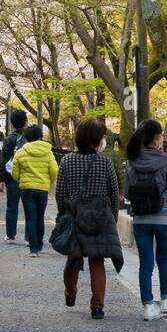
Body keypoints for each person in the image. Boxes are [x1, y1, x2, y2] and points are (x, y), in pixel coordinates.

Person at [56, 117, 121, 319]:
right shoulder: (105, 163)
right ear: (95, 140)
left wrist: (63, 214)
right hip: (100, 217)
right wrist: (113, 218)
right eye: (103, 137)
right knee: (97, 260)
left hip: (75, 215)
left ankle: (70, 292)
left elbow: (59, 192)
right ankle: (97, 306)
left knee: (73, 258)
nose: (104, 141)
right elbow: (113, 193)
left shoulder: (67, 161)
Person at [125, 118, 167, 321]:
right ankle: (166, 303)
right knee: (164, 259)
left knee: (145, 263)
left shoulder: (132, 161)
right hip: (165, 217)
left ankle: (149, 307)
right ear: (158, 138)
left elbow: (127, 193)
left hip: (141, 218)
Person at [11, 123, 55, 257]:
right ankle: (40, 244)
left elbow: (14, 172)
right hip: (42, 189)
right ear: (40, 137)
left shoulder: (21, 152)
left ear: (26, 138)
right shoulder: (48, 152)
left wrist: (21, 181)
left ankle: (33, 249)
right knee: (40, 217)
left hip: (27, 189)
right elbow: (54, 170)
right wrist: (48, 181)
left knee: (30, 218)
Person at [0, 110, 28, 243]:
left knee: (12, 206)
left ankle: (10, 235)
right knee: (30, 208)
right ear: (26, 121)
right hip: (29, 177)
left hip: (12, 178)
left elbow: (3, 160)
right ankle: (29, 237)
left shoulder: (10, 138)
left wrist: (1, 179)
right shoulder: (32, 137)